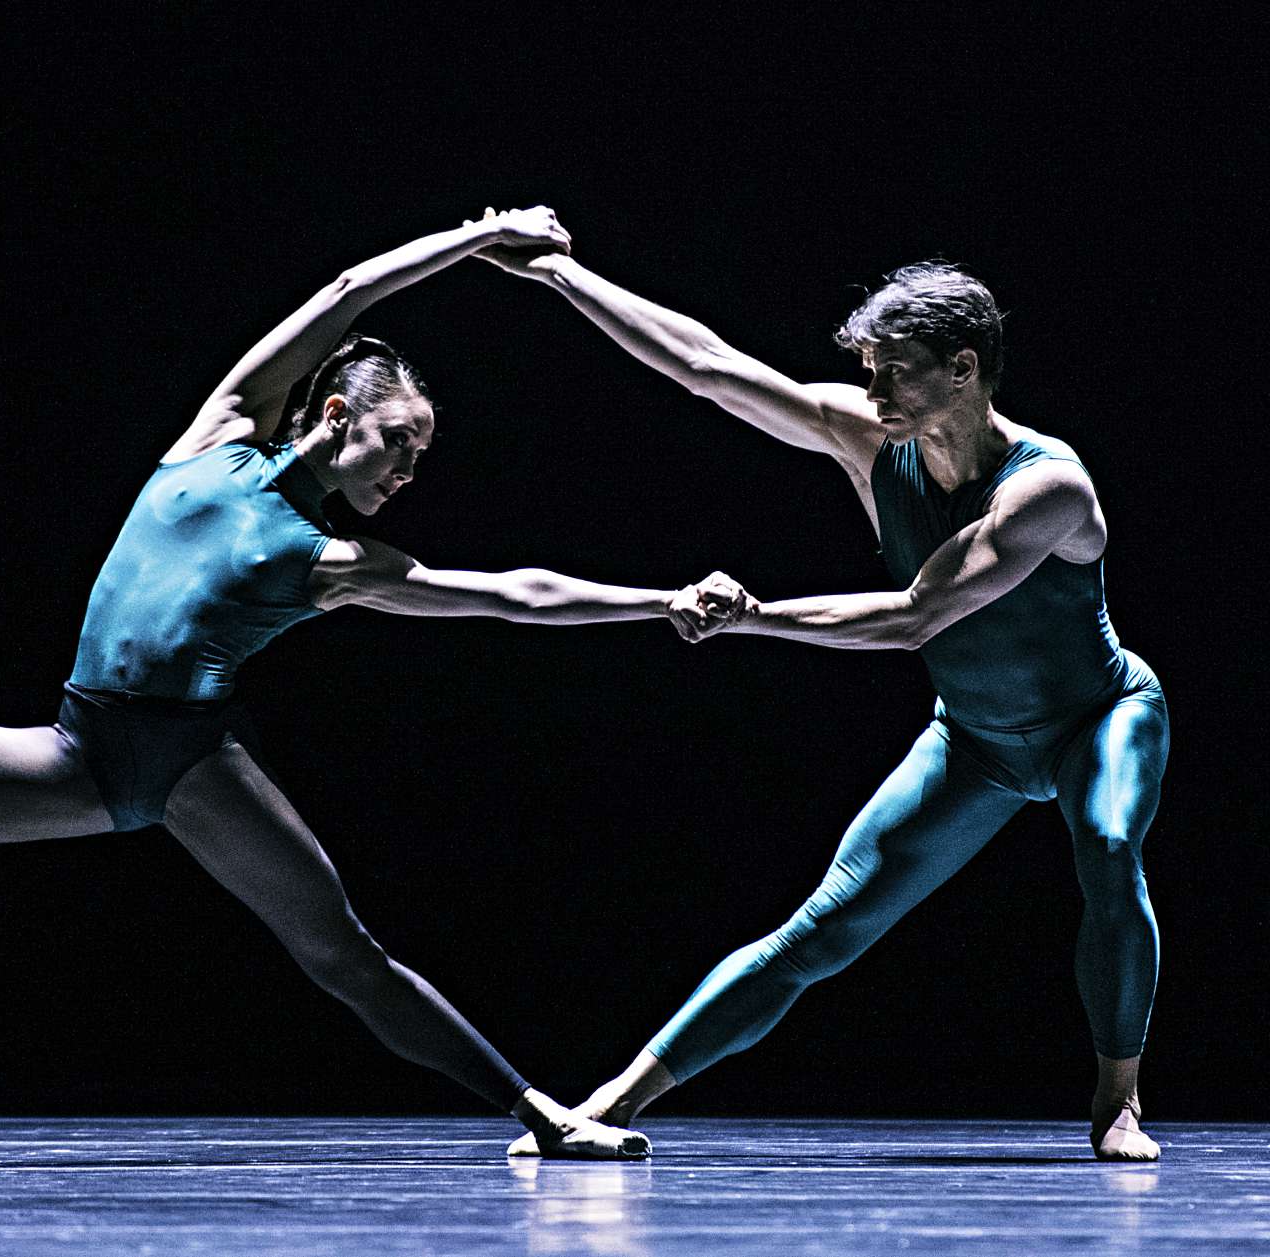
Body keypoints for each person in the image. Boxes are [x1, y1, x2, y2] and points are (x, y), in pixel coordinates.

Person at [0, 208, 722, 1164]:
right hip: (74, 752)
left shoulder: (336, 560)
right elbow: (344, 295)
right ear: (336, 415)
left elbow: (516, 595)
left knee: (347, 958)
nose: (411, 468)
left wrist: (661, 600)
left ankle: (544, 1112)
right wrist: (474, 239)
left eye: (421, 456)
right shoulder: (221, 433)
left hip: (193, 764)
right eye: (399, 442)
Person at [479, 229, 1169, 1161]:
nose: (873, 394)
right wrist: (562, 273)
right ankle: (611, 1100)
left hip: (1099, 719)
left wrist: (751, 615)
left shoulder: (1049, 487)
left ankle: (1118, 1097)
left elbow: (917, 616)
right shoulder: (871, 438)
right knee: (824, 927)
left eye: (894, 374)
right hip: (974, 739)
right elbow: (707, 367)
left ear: (963, 370)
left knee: (1111, 842)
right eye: (869, 373)